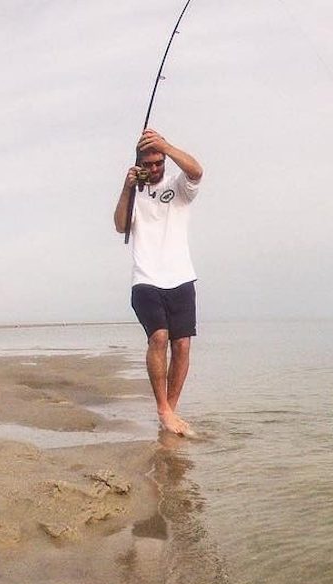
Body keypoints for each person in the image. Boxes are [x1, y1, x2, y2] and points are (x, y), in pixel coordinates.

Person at [113, 128, 204, 436]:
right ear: (138, 164)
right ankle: (163, 409)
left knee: (182, 344)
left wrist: (166, 145)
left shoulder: (177, 186)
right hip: (146, 279)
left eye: (158, 162)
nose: (154, 168)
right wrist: (127, 188)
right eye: (148, 163)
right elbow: (120, 226)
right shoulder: (135, 193)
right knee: (159, 338)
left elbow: (196, 170)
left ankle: (169, 411)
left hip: (180, 277)